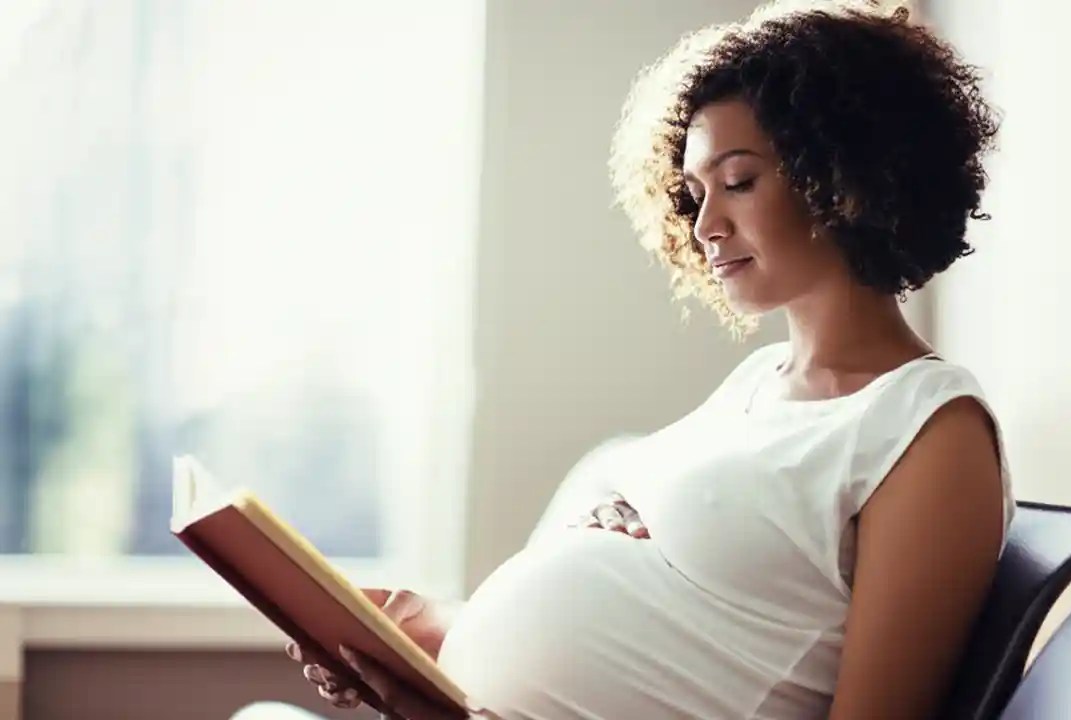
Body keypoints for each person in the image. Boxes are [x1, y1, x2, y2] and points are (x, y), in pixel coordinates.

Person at [242, 1, 1012, 717]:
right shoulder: (757, 387)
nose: (707, 224)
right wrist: (426, 631)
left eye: (739, 181)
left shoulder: (927, 430)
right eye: (693, 193)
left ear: (843, 179)